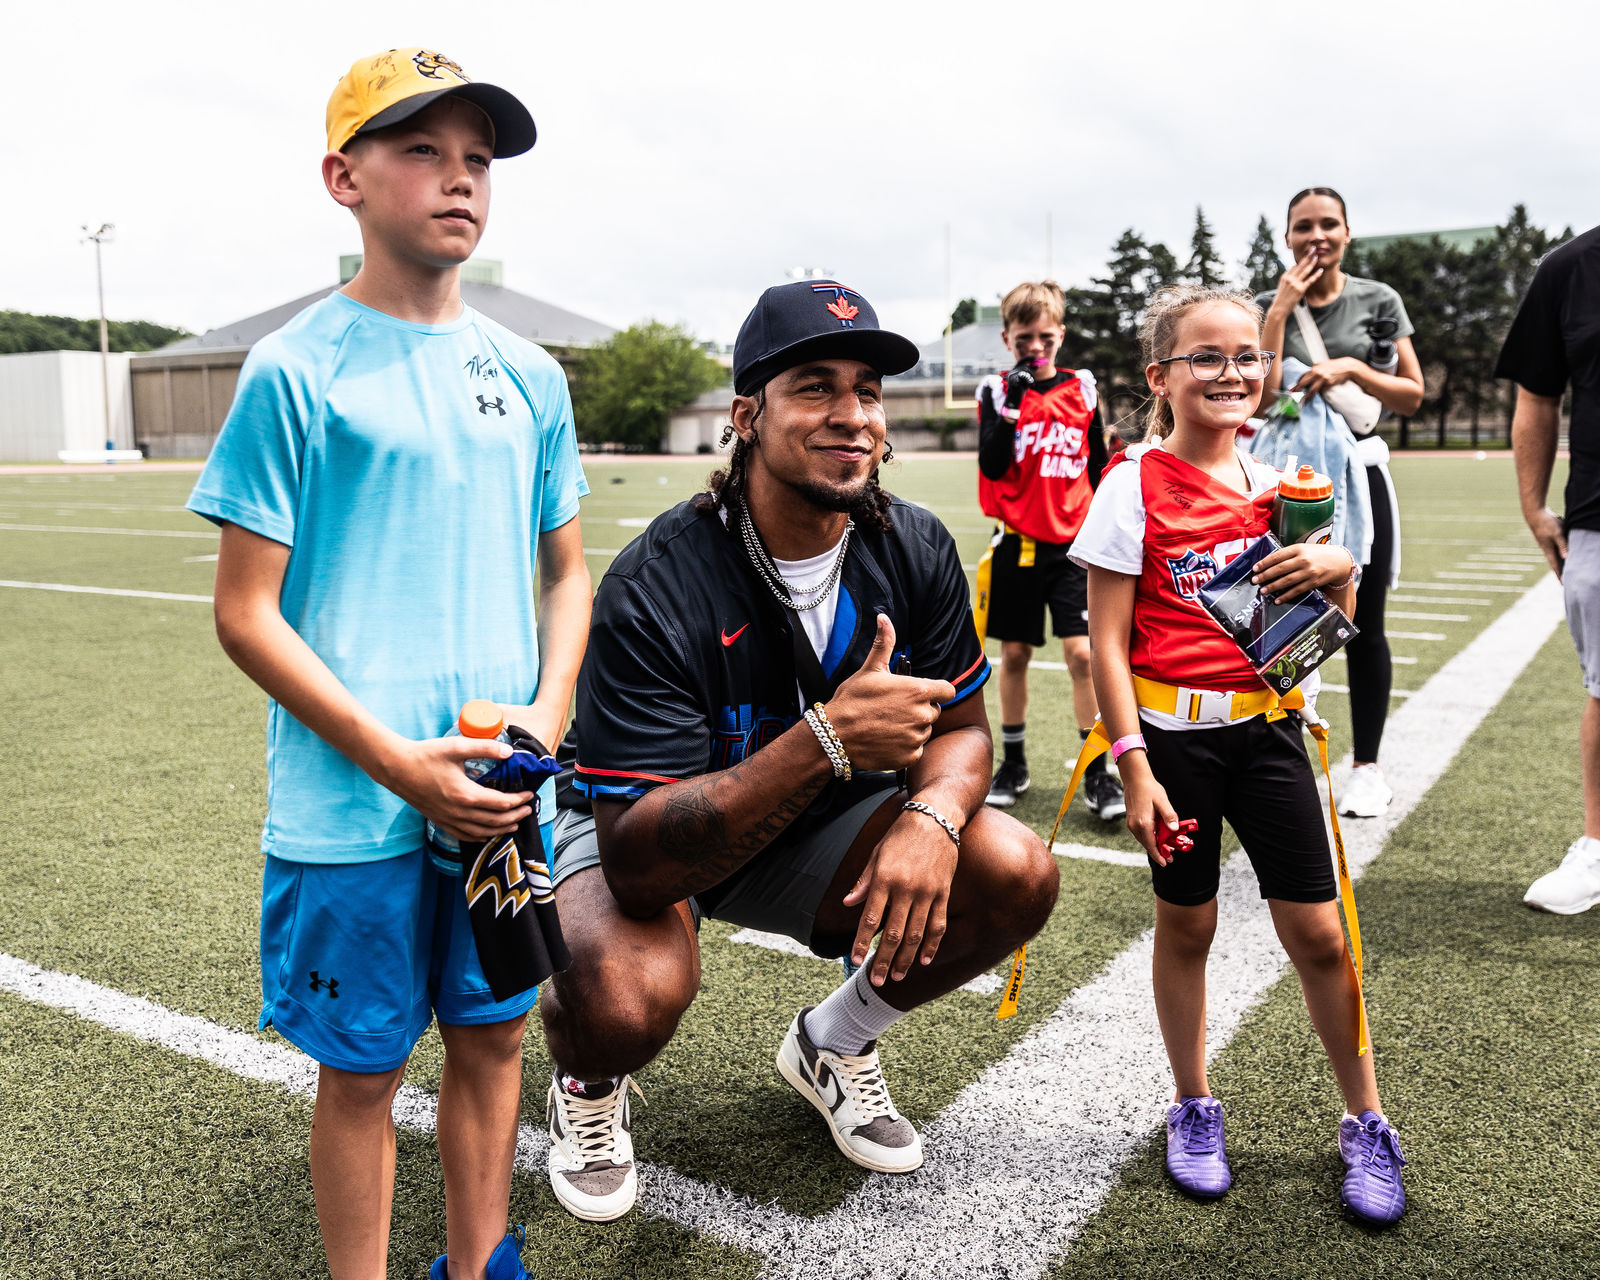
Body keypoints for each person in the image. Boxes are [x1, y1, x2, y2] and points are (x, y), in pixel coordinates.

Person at [186, 49, 590, 1280]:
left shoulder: (529, 375)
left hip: (501, 797)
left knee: (494, 1042)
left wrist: (545, 716)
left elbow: (566, 572)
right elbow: (245, 613)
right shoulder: (296, 369)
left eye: (476, 159)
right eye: (421, 150)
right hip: (350, 806)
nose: (458, 179)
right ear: (342, 177)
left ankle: (479, 1264)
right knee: (362, 1073)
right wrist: (394, 761)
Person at [538, 279, 1059, 1223]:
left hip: (809, 824)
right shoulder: (660, 580)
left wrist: (935, 821)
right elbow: (643, 864)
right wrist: (827, 740)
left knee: (1012, 868)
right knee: (620, 1000)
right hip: (651, 824)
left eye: (866, 390)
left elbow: (963, 734)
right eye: (814, 387)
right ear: (746, 415)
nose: (851, 415)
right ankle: (587, 1088)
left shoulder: (913, 546)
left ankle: (833, 1040)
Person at [1071, 284, 1406, 1226]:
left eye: (1245, 358)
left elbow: (1316, 641)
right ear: (1161, 378)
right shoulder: (1131, 483)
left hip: (1268, 738)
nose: (1231, 372)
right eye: (1205, 358)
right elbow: (1105, 641)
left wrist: (1341, 570)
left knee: (1322, 935)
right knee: (1190, 927)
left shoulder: (1279, 487)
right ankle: (1193, 1104)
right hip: (1171, 748)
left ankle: (1366, 1121)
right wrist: (1131, 765)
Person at [1257, 188, 1425, 818]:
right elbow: (1261, 392)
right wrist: (1280, 307)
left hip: (1357, 471)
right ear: (1288, 237)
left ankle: (1367, 767)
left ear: (1348, 233)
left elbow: (1411, 394)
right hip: (1289, 480)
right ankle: (1285, 759)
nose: (1316, 236)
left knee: (1365, 618)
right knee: (1282, 616)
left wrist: (1352, 368)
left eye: (1329, 225)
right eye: (1304, 227)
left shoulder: (1378, 299)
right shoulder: (1269, 302)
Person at [975, 281, 1120, 819]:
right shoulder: (995, 391)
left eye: (1045, 337)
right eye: (1024, 338)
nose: (1035, 348)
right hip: (1018, 543)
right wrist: (1013, 405)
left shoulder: (1082, 388)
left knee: (1084, 655)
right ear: (1007, 338)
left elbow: (1099, 463)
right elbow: (992, 465)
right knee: (1013, 655)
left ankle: (1098, 774)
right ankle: (1013, 763)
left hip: (1073, 548)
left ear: (1060, 335)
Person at [1496, 223, 1600, 914]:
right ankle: (1598, 847)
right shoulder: (1572, 267)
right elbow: (1537, 395)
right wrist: (1535, 507)